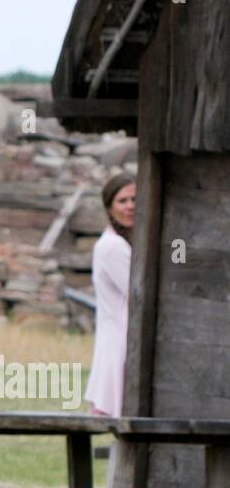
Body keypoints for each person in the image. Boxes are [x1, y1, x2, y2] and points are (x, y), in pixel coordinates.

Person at [84, 172, 136, 417]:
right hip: (120, 340)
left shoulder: (126, 242)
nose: (130, 206)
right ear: (109, 207)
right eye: (122, 201)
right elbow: (138, 291)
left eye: (135, 199)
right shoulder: (112, 247)